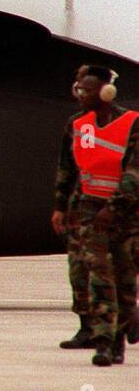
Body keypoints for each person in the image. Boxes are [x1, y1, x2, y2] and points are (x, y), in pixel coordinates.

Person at [50, 65, 139, 366]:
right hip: (89, 212)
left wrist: (113, 208)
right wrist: (61, 206)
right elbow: (67, 168)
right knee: (97, 275)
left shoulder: (132, 124)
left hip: (126, 215)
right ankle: (101, 340)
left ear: (106, 92)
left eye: (86, 90)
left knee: (125, 281)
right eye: (79, 89)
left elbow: (134, 174)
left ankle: (118, 340)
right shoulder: (77, 125)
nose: (80, 95)